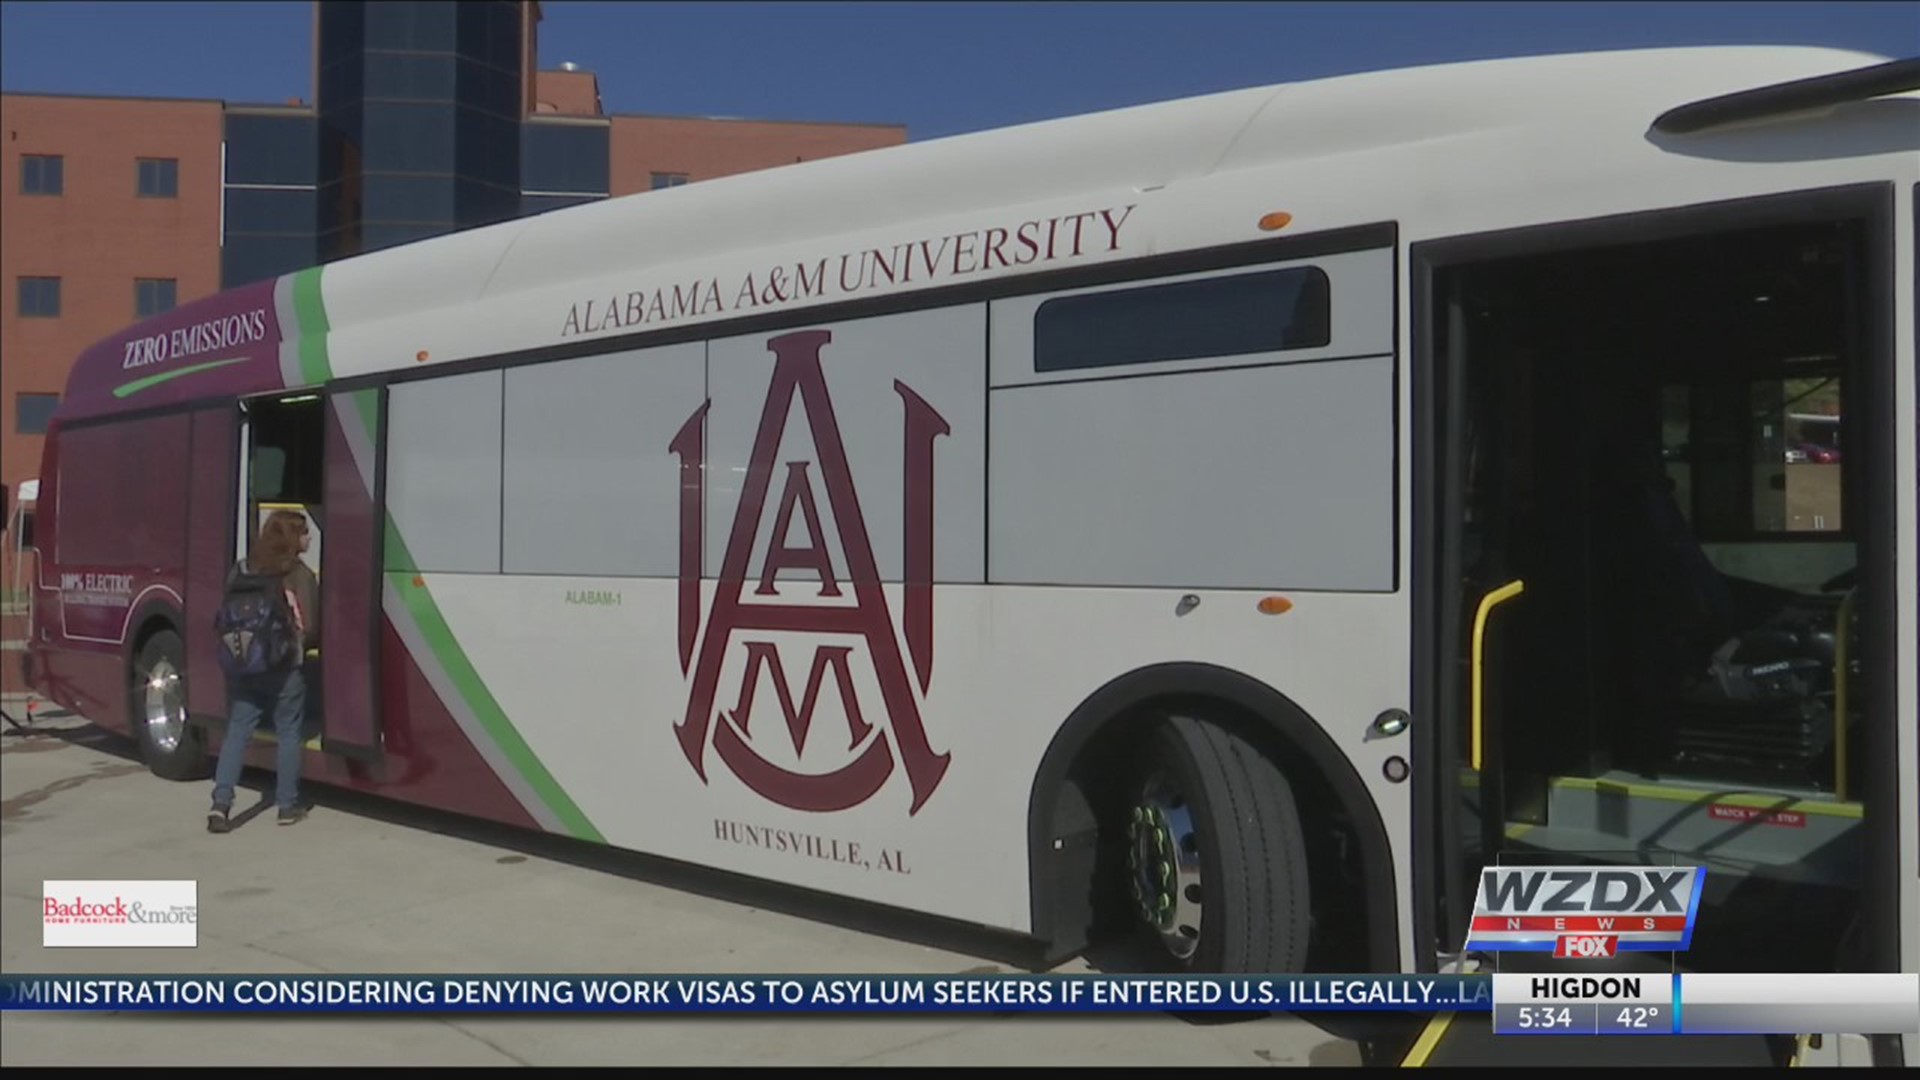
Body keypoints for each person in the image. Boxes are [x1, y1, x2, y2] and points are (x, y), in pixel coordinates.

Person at [207, 510, 319, 832]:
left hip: (243, 664)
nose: (309, 539)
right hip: (285, 668)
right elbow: (310, 626)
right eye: (304, 533)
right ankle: (287, 805)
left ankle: (221, 803)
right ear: (292, 539)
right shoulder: (300, 574)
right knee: (288, 732)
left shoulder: (242, 569)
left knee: (238, 731)